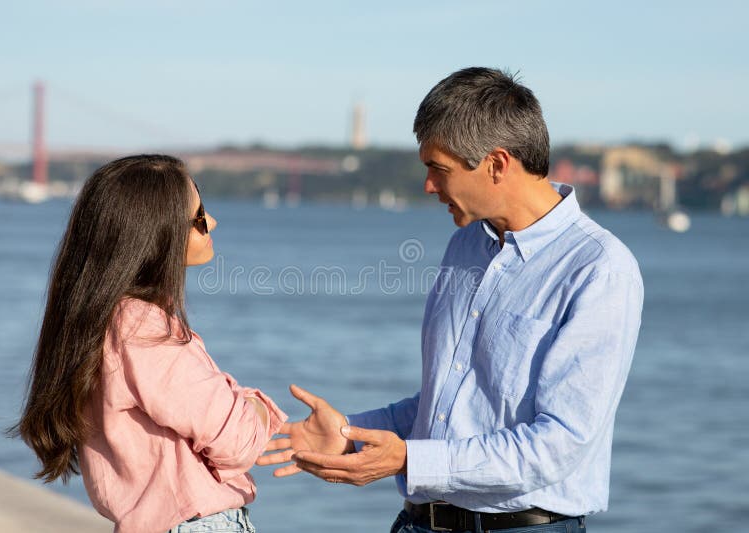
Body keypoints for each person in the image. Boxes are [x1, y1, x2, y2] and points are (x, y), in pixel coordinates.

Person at [258, 68, 643, 533]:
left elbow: (558, 444)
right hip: (418, 524)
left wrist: (407, 459)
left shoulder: (599, 268)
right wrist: (348, 435)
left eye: (438, 169)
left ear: (497, 164)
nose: (427, 186)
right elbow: (450, 407)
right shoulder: (466, 246)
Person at [11, 155, 286, 533]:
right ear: (157, 234)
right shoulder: (142, 329)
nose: (213, 223)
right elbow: (237, 441)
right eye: (199, 217)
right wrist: (256, 406)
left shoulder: (100, 321)